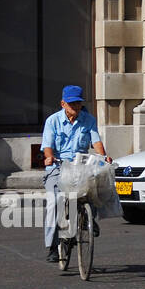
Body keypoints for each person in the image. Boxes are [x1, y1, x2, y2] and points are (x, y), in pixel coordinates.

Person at [41, 85, 109, 262]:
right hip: (57, 167)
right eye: (72, 104)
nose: (76, 107)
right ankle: (52, 246)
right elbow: (47, 146)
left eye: (78, 103)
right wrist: (49, 157)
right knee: (54, 202)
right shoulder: (52, 121)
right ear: (63, 103)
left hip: (80, 165)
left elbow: (97, 142)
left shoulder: (89, 120)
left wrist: (104, 156)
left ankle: (89, 218)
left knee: (96, 184)